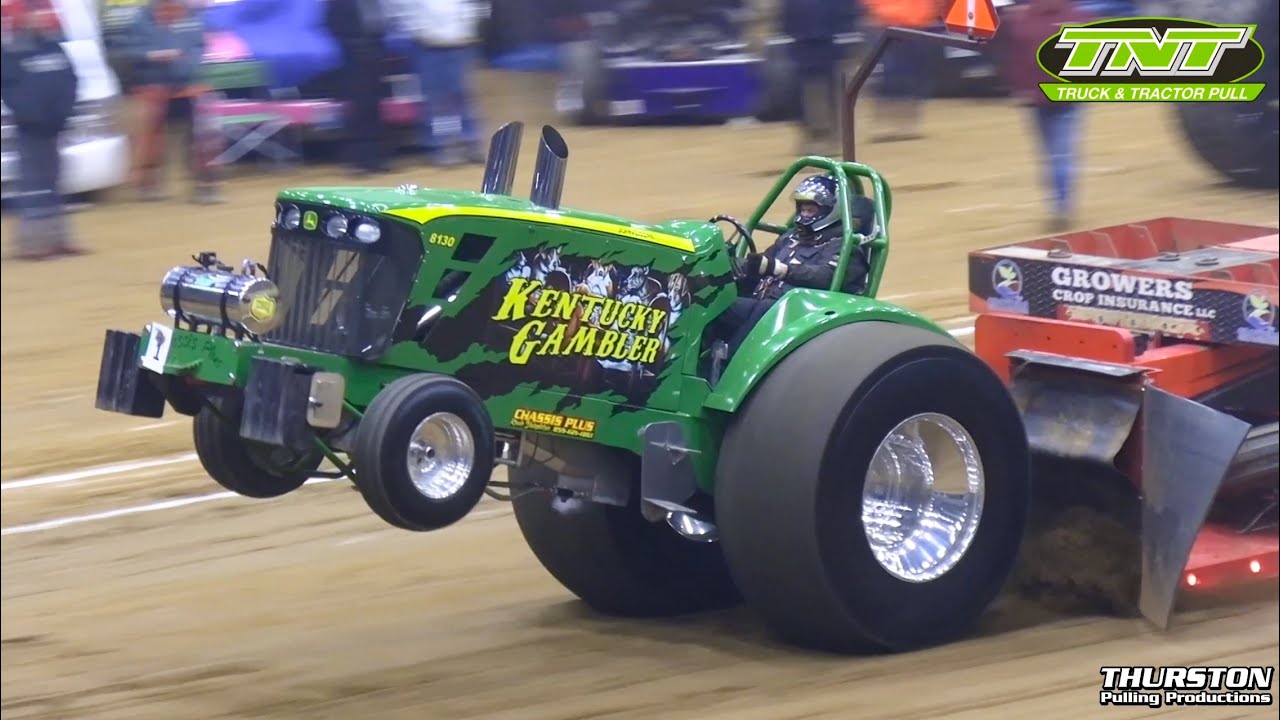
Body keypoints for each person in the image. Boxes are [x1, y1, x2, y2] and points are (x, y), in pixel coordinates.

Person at [712, 175, 875, 355]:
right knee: (712, 299)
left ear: (831, 210)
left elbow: (824, 277)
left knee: (768, 308)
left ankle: (729, 360)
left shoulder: (845, 248)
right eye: (802, 208)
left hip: (800, 317)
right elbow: (762, 263)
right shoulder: (791, 238)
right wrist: (727, 268)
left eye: (811, 209)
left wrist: (781, 269)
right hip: (764, 307)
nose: (804, 214)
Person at [1, 0, 86, 260]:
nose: (40, 17)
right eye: (33, 13)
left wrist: (62, 113)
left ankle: (59, 240)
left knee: (55, 184)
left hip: (55, 126)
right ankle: (32, 245)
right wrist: (34, 117)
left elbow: (70, 80)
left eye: (42, 12)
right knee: (33, 185)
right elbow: (11, 92)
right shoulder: (11, 53)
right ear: (22, 18)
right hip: (30, 130)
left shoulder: (55, 47)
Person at [1000, 0, 1094, 232]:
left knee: (1050, 154)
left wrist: (1019, 90)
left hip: (1037, 98)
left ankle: (1058, 205)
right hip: (1068, 97)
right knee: (1062, 153)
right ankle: (1061, 206)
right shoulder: (1078, 16)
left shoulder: (1021, 20)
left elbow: (1013, 62)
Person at [128, 0, 222, 204]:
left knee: (203, 135)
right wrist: (152, 56)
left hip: (190, 84)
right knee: (150, 136)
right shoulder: (141, 19)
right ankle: (147, 183)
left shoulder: (192, 17)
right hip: (153, 84)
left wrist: (187, 65)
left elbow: (199, 47)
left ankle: (207, 185)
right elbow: (129, 51)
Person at [395, 0, 486, 166]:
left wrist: (469, 29)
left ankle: (470, 142)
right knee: (438, 101)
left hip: (461, 45)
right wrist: (422, 31)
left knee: (462, 96)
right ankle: (443, 145)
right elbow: (404, 12)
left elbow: (477, 7)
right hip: (429, 47)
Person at [781, 0, 859, 156]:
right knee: (800, 90)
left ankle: (830, 137)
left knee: (830, 89)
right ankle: (810, 134)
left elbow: (847, 11)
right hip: (801, 42)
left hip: (827, 41)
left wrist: (847, 36)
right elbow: (786, 14)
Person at [324, 0, 391, 176]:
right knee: (358, 111)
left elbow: (379, 24)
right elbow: (333, 25)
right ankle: (359, 162)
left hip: (375, 56)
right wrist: (354, 45)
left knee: (374, 109)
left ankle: (377, 159)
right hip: (351, 60)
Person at [862, 0, 940, 143]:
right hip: (885, 24)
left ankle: (906, 121)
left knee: (912, 73)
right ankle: (886, 122)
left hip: (917, 24)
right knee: (890, 72)